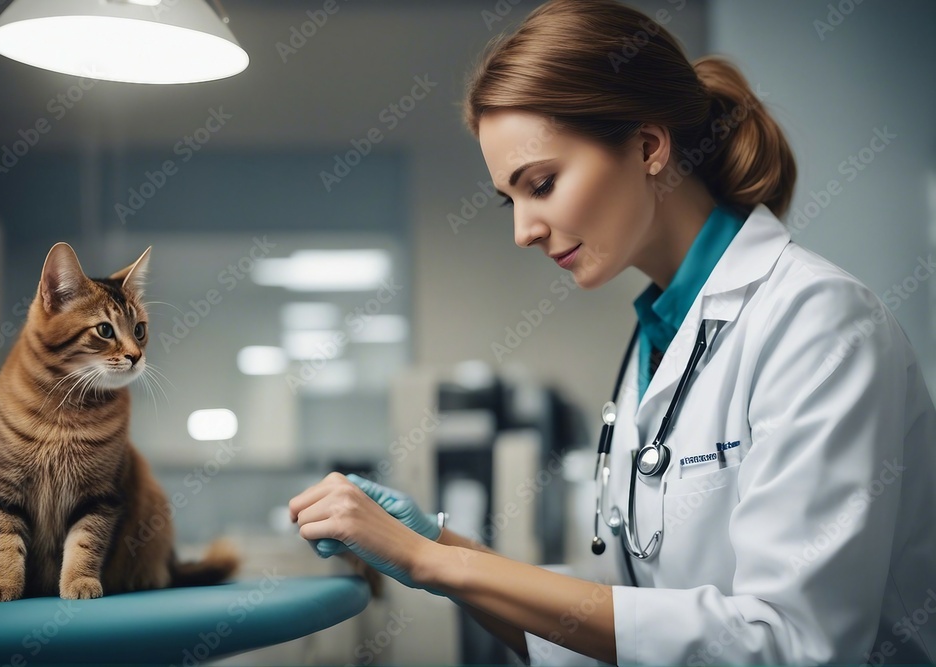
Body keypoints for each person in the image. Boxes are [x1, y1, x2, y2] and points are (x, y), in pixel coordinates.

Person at [289, 0, 936, 663]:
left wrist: (435, 562)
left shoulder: (819, 321)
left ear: (649, 147)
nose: (523, 231)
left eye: (542, 183)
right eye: (511, 199)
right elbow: (624, 621)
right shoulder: (659, 339)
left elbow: (792, 644)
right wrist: (440, 546)